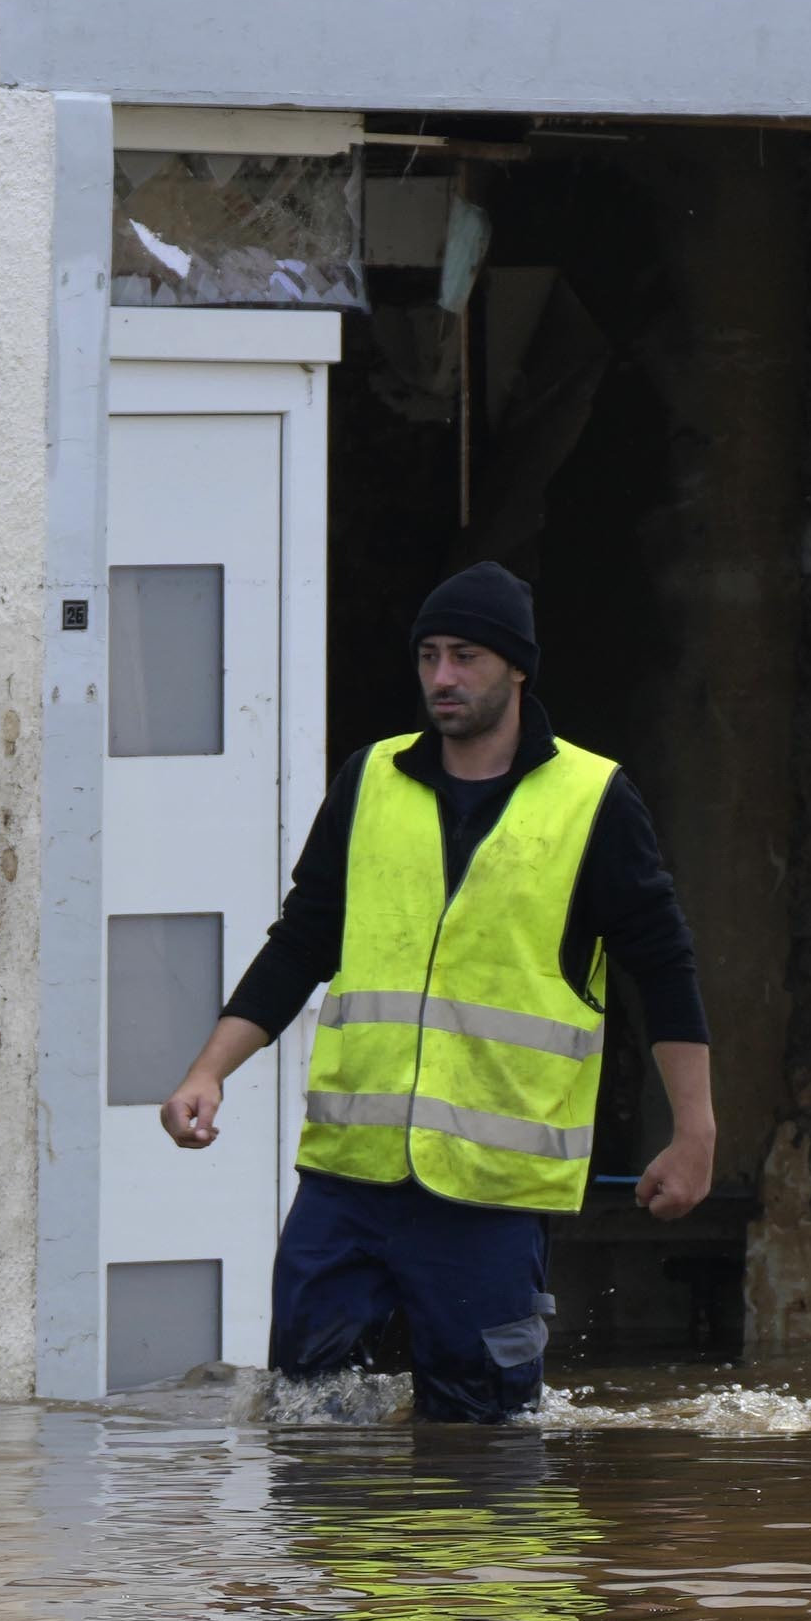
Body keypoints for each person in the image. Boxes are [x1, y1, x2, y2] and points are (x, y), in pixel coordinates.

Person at [159, 562, 715, 1423]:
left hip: (490, 1193)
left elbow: (663, 966)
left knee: (483, 1443)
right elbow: (301, 941)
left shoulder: (592, 800)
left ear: (517, 667)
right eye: (428, 656)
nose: (441, 677)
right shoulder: (369, 780)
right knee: (307, 1420)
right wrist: (208, 1071)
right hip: (348, 1179)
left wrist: (694, 1132)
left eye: (464, 656)